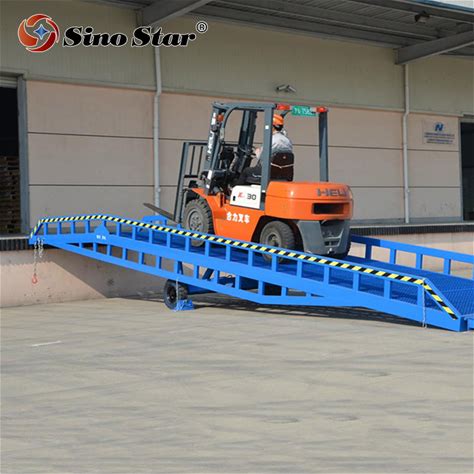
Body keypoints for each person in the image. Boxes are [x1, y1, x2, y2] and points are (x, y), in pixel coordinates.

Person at [236, 113, 293, 185]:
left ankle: (234, 188)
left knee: (246, 171)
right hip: (282, 173)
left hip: (267, 172)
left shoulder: (271, 140)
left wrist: (257, 152)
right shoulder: (287, 141)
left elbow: (261, 156)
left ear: (272, 126)